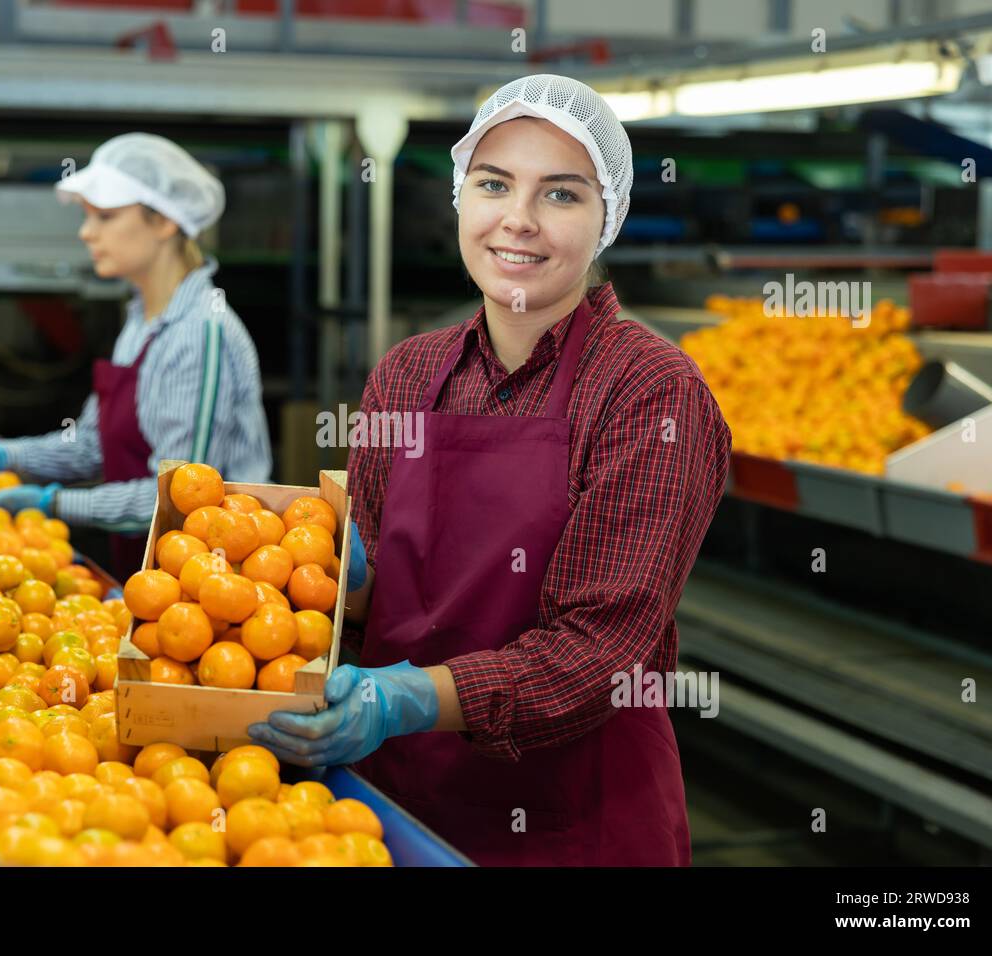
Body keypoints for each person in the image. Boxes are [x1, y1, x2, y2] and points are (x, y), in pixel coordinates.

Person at [249, 75, 732, 866]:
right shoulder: (407, 375)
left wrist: (405, 697)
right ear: (459, 196)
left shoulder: (650, 391)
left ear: (607, 217)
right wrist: (322, 573)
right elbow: (362, 602)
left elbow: (598, 652)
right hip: (399, 804)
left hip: (573, 816)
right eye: (494, 183)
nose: (518, 220)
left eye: (562, 195)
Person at [0, 133, 271, 578]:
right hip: (148, 573)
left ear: (165, 223)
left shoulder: (198, 330)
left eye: (105, 217)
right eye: (87, 216)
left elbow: (177, 499)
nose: (86, 232)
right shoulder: (141, 320)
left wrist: (50, 503)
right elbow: (90, 446)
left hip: (208, 586)